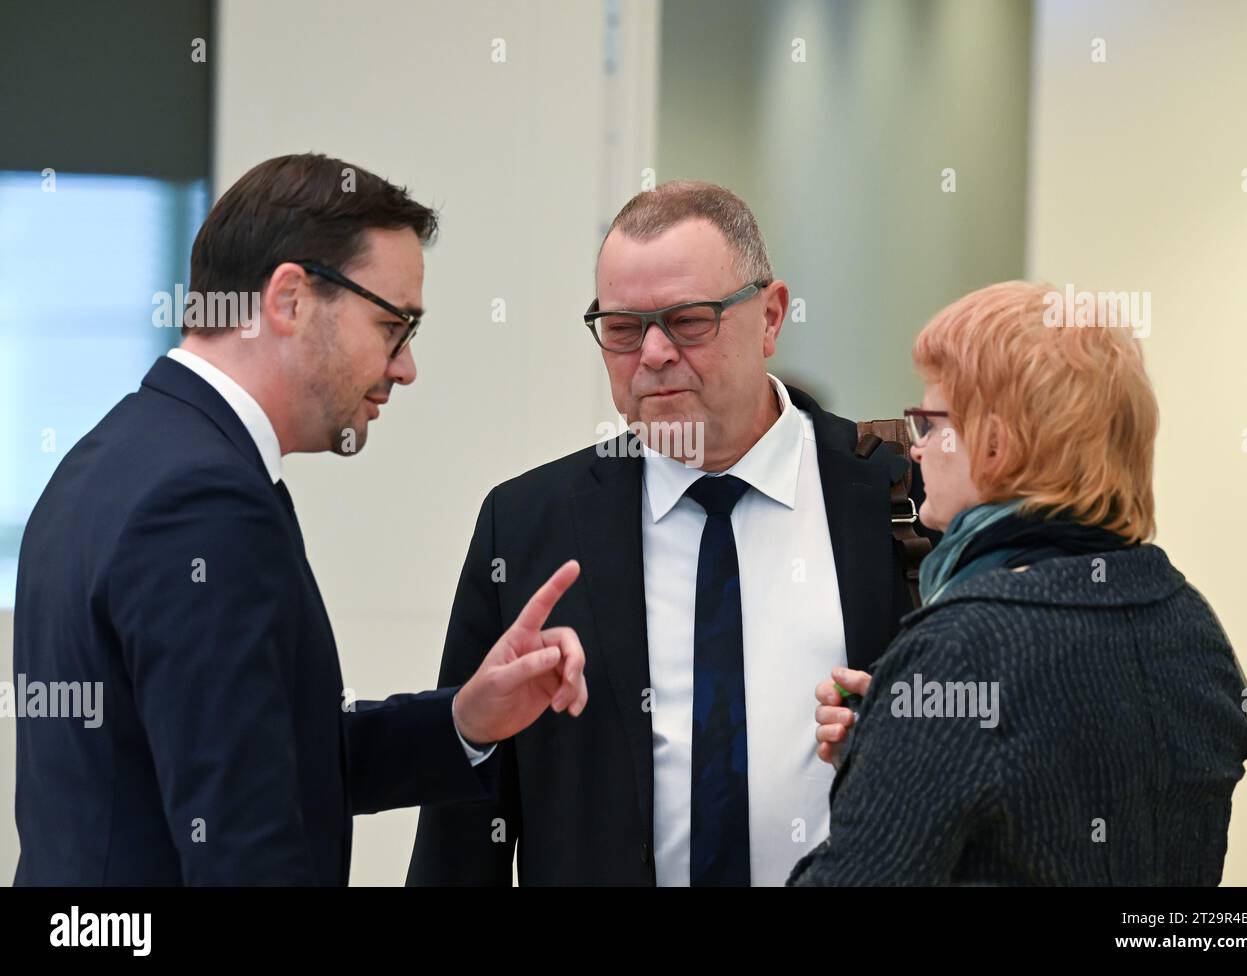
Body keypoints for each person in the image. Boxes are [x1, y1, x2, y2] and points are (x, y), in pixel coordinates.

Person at [12, 153, 588, 885]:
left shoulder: (113, 457)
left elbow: (266, 758)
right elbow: (242, 845)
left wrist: (464, 719)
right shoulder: (204, 502)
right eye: (394, 325)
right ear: (289, 298)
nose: (405, 366)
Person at [408, 180, 922, 886]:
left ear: (770, 317)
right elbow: (467, 816)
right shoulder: (529, 524)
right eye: (622, 329)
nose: (652, 353)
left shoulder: (892, 498)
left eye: (688, 321)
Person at [792, 280, 1247, 885]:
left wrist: (887, 758)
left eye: (929, 424)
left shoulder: (962, 647)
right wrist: (894, 745)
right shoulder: (1188, 618)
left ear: (996, 443)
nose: (916, 452)